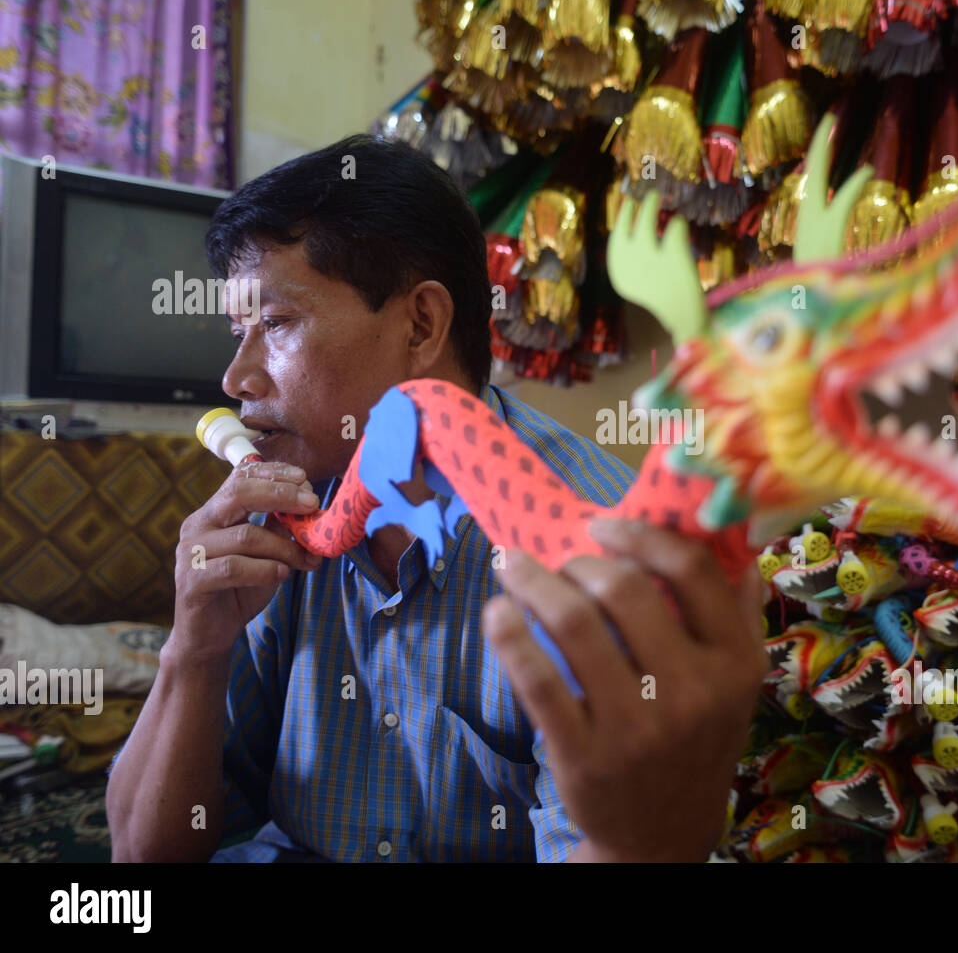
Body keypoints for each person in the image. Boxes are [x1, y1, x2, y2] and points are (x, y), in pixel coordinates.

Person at [105, 136, 767, 863]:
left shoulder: (595, 547)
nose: (235, 379)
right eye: (238, 333)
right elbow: (146, 852)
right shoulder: (278, 508)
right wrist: (193, 649)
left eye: (276, 323)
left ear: (421, 324)